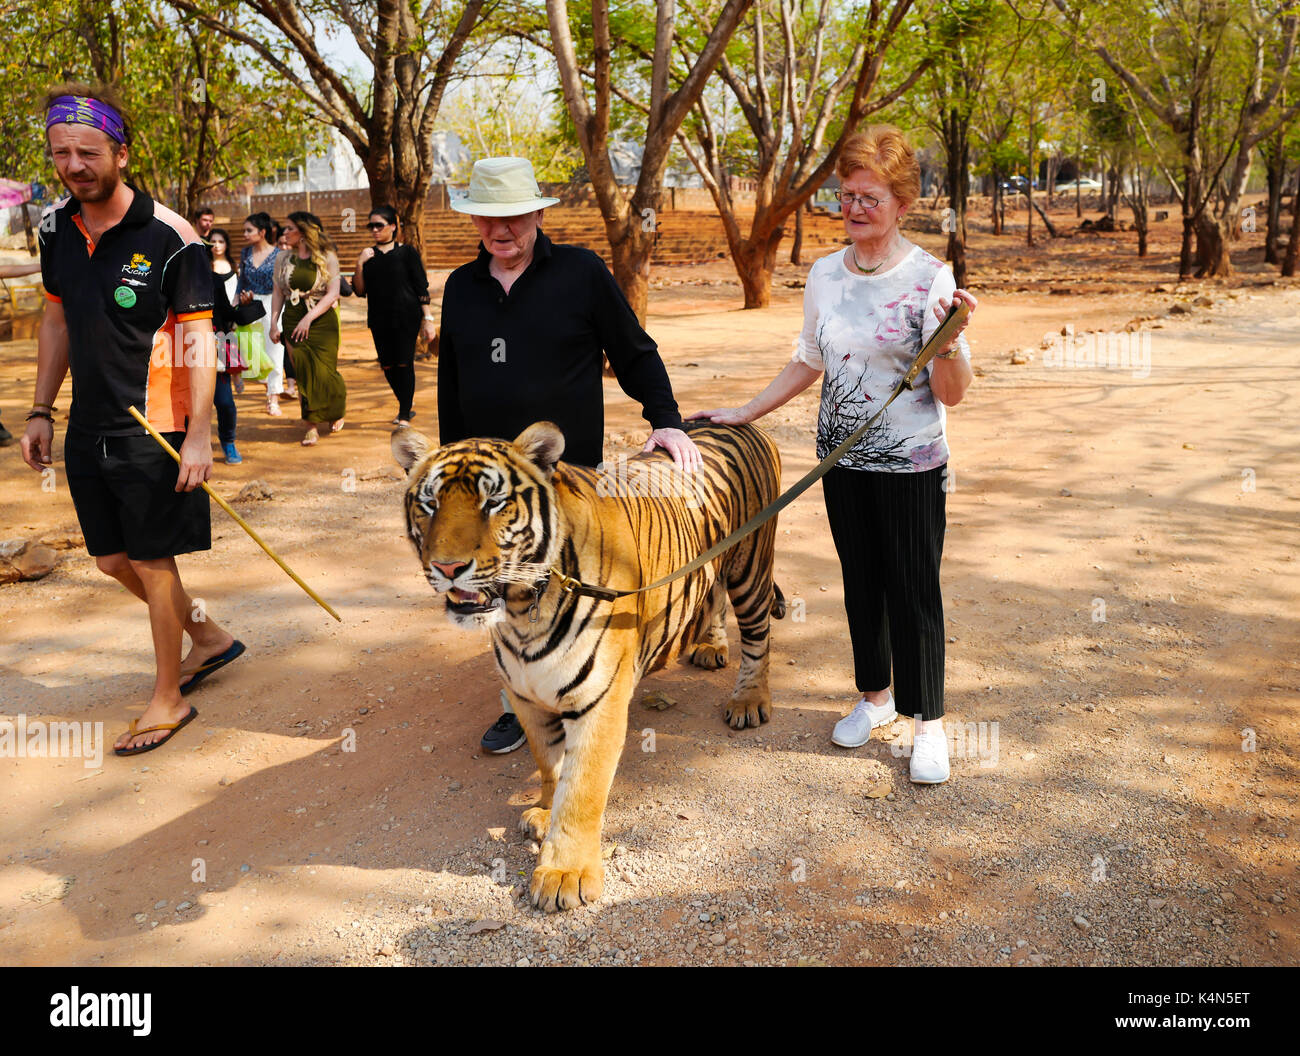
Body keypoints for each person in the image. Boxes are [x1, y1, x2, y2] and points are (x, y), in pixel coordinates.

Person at [692, 125, 976, 785]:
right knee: (861, 585)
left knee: (913, 592)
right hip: (840, 466)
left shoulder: (931, 278)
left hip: (911, 466)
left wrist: (955, 341)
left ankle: (927, 722)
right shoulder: (824, 274)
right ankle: (875, 700)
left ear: (902, 203)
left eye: (869, 197)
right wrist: (744, 411)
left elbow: (952, 394)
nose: (853, 208)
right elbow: (808, 361)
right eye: (846, 195)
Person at [438, 155, 702, 754]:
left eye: (513, 218)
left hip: (569, 478)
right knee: (494, 584)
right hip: (486, 487)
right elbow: (453, 384)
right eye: (488, 220)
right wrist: (451, 472)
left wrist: (667, 421)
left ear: (536, 213)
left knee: (566, 588)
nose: (501, 232)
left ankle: (586, 692)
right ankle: (519, 702)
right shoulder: (460, 287)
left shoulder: (581, 273)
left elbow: (634, 351)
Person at [22, 82, 245, 755]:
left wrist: (201, 431)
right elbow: (56, 317)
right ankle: (207, 637)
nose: (73, 166)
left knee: (152, 561)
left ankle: (168, 697)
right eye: (61, 153)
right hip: (89, 424)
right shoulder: (54, 227)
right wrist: (40, 409)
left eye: (88, 152)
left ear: (120, 152)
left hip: (158, 423)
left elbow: (200, 337)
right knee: (110, 558)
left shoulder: (172, 237)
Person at [351, 205, 433, 426]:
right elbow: (359, 290)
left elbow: (421, 286)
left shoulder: (406, 252)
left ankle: (404, 412)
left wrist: (428, 319)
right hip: (379, 318)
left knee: (404, 363)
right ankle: (404, 403)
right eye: (371, 226)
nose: (375, 230)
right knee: (387, 365)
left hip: (407, 316)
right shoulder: (368, 255)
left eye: (379, 225)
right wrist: (359, 263)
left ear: (393, 227)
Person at [269, 211, 345, 445]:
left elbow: (334, 292)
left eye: (289, 228)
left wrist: (309, 318)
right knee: (302, 370)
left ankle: (336, 409)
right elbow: (278, 293)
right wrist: (274, 322)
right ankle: (311, 425)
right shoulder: (283, 258)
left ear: (303, 231)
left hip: (322, 319)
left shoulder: (327, 256)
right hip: (292, 318)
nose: (285, 233)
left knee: (325, 371)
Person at [235, 211, 292, 415]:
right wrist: (237, 302)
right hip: (250, 305)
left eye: (249, 230)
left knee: (275, 351)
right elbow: (241, 281)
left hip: (273, 304)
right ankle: (267, 387)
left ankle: (273, 398)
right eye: (244, 230)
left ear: (262, 232)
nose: (245, 234)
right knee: (253, 351)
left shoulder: (280, 255)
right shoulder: (245, 253)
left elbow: (284, 285)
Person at [208, 227, 243, 463]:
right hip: (185, 347)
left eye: (221, 241)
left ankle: (228, 442)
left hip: (219, 343)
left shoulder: (215, 281)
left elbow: (228, 313)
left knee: (225, 403)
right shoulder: (177, 278)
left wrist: (248, 309)